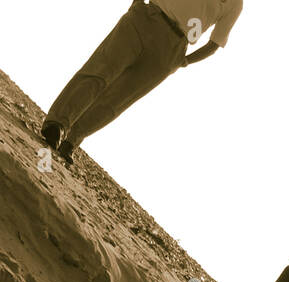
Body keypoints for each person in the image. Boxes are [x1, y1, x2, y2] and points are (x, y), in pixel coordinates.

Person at [41, 1, 244, 163]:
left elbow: (214, 44)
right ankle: (57, 124)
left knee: (117, 100)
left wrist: (183, 61)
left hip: (172, 47)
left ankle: (71, 140)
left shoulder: (235, 4)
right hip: (146, 18)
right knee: (99, 71)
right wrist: (137, 4)